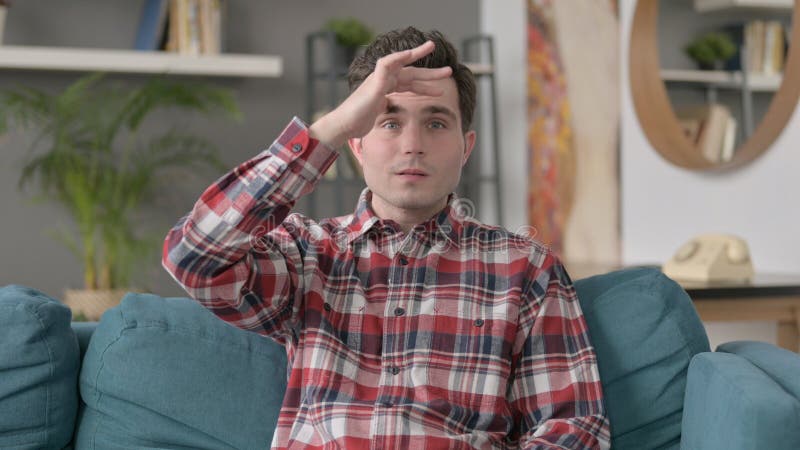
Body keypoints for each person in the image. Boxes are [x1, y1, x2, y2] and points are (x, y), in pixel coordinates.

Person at [163, 27, 610, 449]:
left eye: (436, 123)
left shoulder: (526, 268)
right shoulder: (306, 253)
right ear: (356, 145)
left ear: (466, 148)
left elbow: (573, 428)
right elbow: (193, 256)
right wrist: (331, 128)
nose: (412, 144)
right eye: (389, 123)